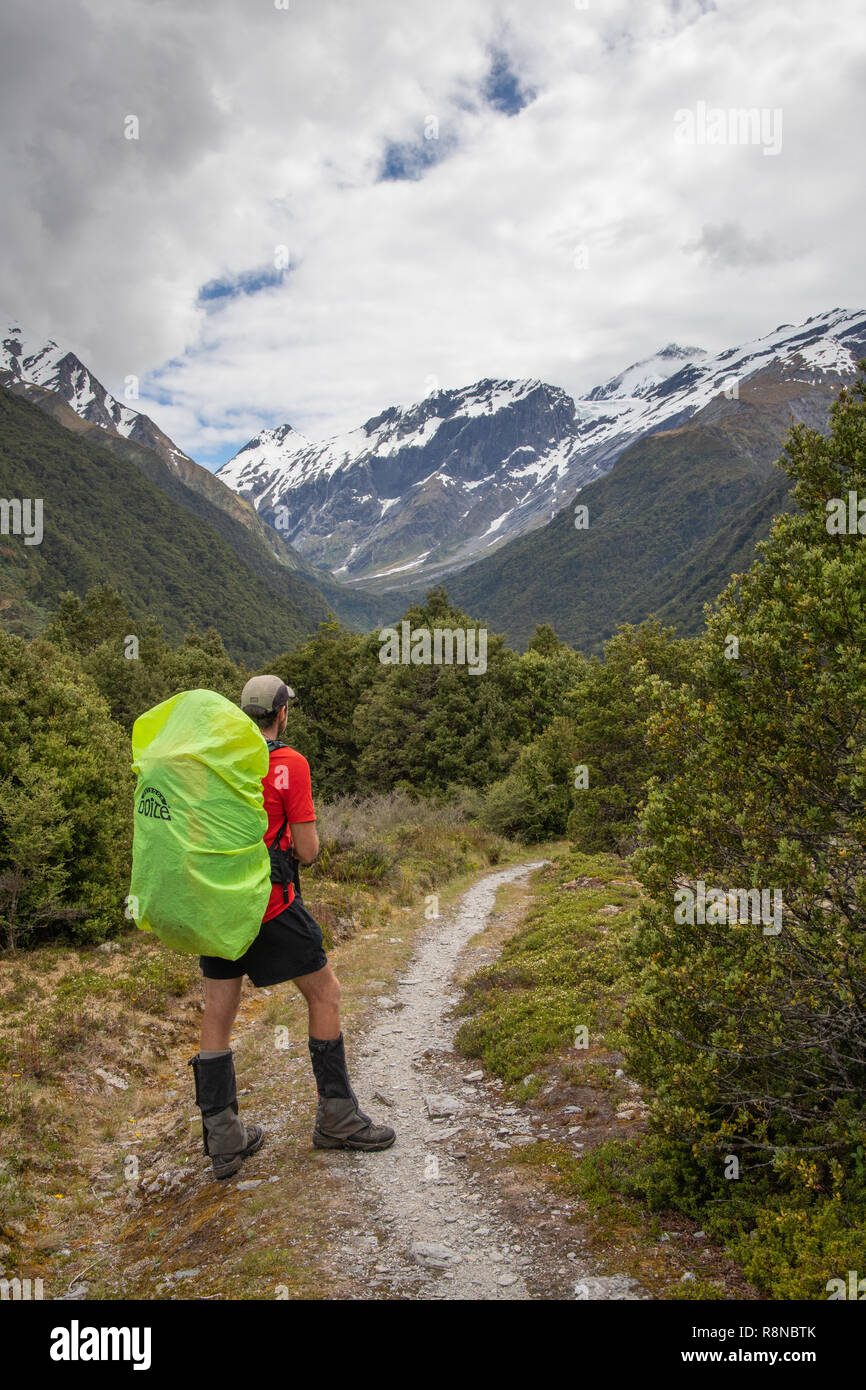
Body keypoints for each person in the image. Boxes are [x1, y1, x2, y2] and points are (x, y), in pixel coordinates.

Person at [189, 674, 395, 1179]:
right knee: (324, 994)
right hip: (273, 905)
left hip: (218, 907)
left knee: (218, 1011)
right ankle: (337, 1118)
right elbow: (307, 851)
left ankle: (223, 1140)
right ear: (282, 714)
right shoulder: (289, 764)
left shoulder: (215, 762)